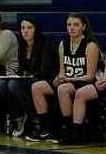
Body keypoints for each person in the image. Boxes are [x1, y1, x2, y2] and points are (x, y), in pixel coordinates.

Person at [28, 14, 100, 143]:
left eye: (76, 25)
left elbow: (90, 76)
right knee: (37, 87)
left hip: (84, 82)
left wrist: (67, 79)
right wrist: (58, 78)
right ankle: (44, 129)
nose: (71, 28)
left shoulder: (90, 45)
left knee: (63, 89)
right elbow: (62, 71)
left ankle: (69, 129)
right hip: (69, 80)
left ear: (83, 27)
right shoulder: (63, 43)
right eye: (69, 25)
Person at [0, 16, 55, 138]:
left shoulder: (45, 44)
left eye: (29, 28)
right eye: (23, 28)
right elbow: (22, 69)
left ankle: (34, 119)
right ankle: (18, 117)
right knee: (2, 84)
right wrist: (14, 73)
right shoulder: (22, 45)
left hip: (44, 79)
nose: (25, 31)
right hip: (28, 79)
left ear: (36, 29)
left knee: (14, 85)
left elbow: (44, 71)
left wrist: (23, 77)